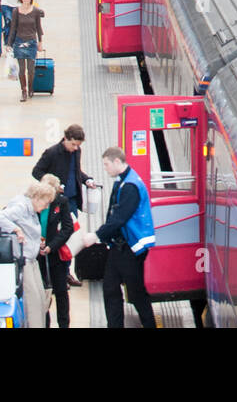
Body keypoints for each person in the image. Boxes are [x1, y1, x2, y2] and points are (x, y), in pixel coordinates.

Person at [83, 147, 157, 330]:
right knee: (110, 288)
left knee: (136, 293)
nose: (105, 168)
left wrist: (97, 235)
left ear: (117, 162)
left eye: (107, 164)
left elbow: (120, 217)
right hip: (119, 247)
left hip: (131, 249)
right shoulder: (122, 181)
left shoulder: (130, 186)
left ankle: (149, 324)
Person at [0, 180, 55, 329]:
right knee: (33, 301)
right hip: (24, 260)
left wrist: (36, 241)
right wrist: (16, 229)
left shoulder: (31, 210)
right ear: (37, 197)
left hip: (32, 259)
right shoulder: (21, 207)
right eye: (46, 203)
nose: (46, 207)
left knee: (40, 298)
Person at [32, 124, 97, 218]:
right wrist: (52, 185)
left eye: (78, 145)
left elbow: (76, 170)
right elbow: (36, 171)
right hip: (55, 199)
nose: (75, 148)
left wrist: (86, 180)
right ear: (66, 139)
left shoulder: (77, 151)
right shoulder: (52, 152)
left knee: (71, 227)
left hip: (72, 199)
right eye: (73, 144)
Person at [37, 173, 75, 326]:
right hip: (37, 255)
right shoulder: (34, 201)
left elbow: (68, 227)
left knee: (60, 291)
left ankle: (63, 323)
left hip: (55, 254)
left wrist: (51, 246)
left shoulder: (62, 202)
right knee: (41, 292)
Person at [8, 0, 45, 101]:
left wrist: (40, 42)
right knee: (22, 69)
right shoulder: (16, 11)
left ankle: (30, 88)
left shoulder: (36, 11)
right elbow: (13, 28)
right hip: (19, 42)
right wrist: (9, 44)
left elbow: (39, 28)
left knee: (31, 69)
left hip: (31, 42)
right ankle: (23, 90)